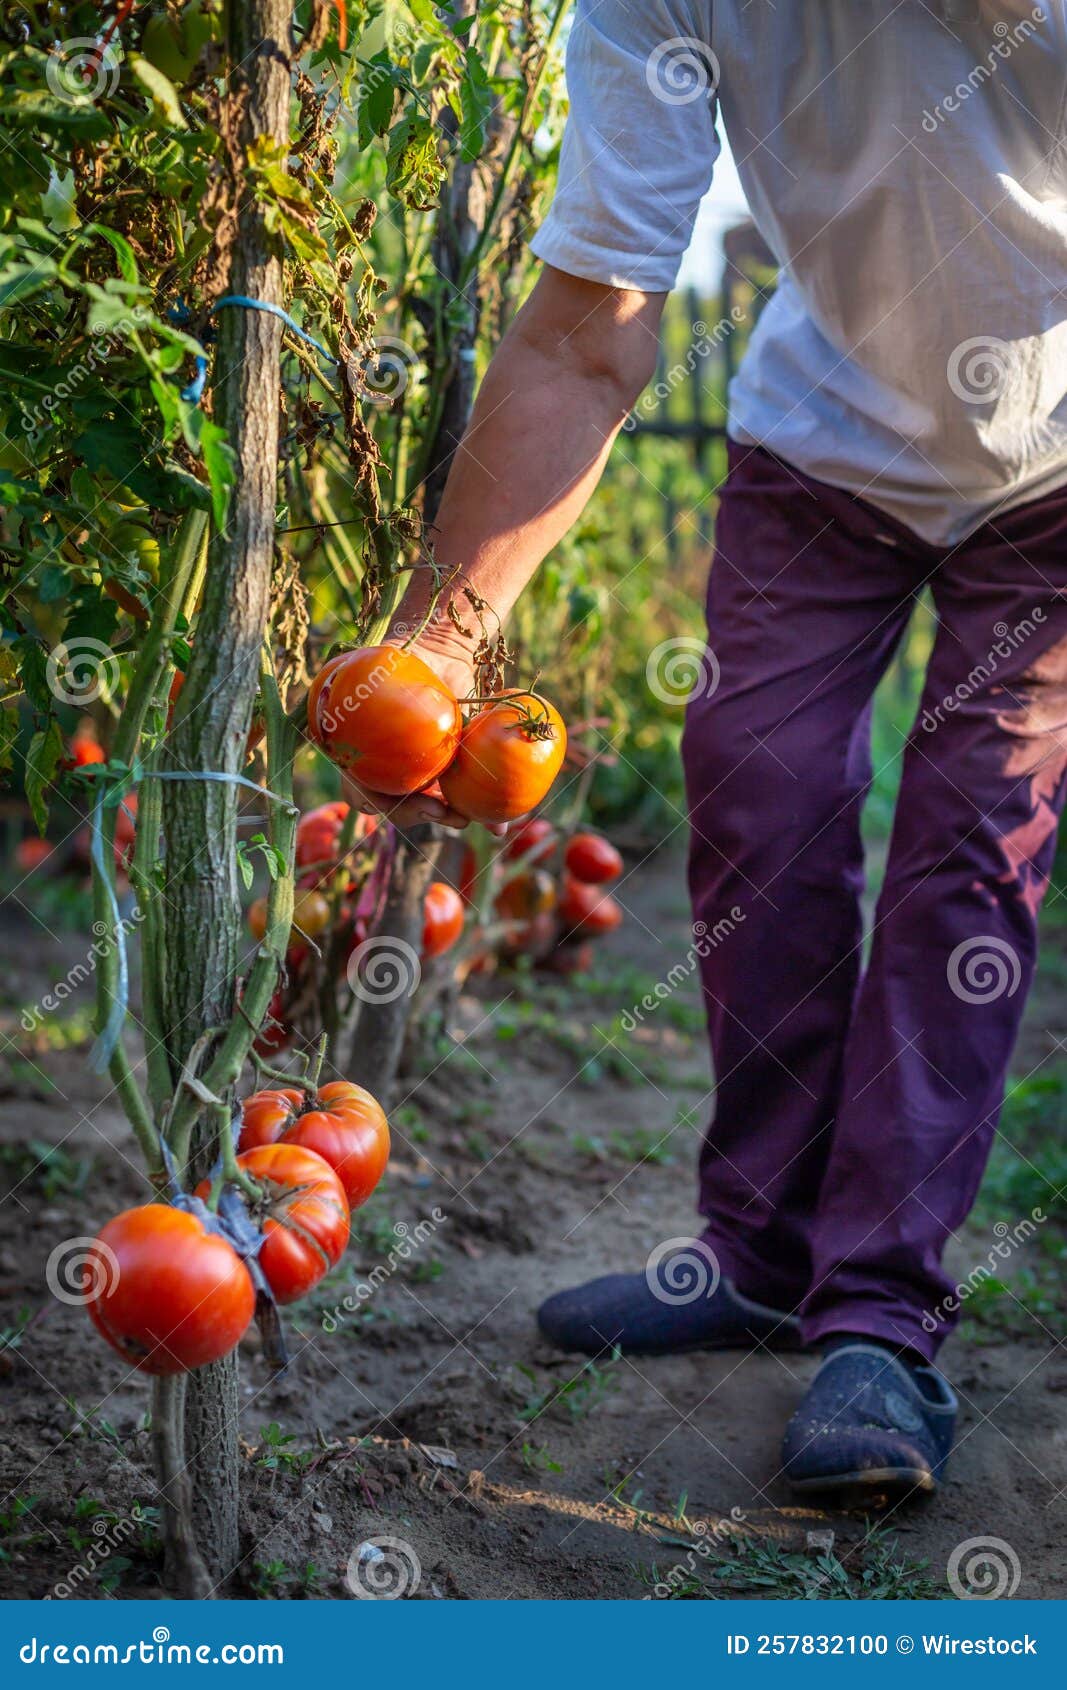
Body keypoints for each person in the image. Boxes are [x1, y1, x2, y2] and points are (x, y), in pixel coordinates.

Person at [343, 1, 1067, 1497]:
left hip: (1055, 480)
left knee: (970, 850)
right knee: (761, 792)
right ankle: (757, 1245)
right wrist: (442, 641)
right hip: (820, 445)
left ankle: (880, 1317)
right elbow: (587, 330)